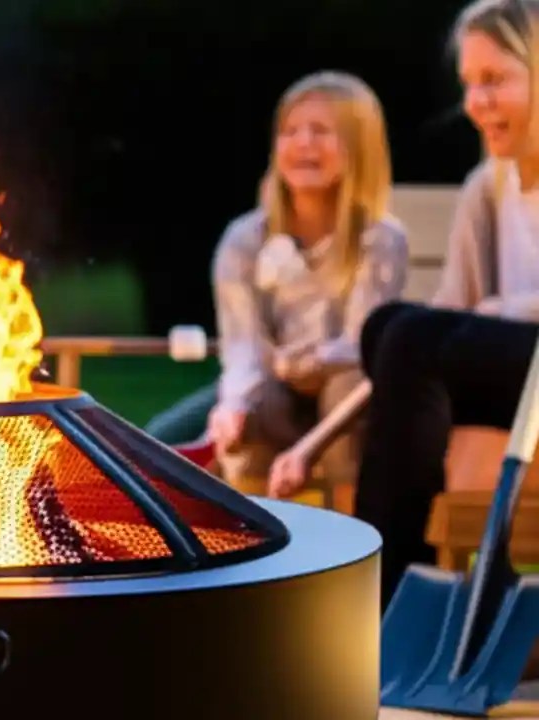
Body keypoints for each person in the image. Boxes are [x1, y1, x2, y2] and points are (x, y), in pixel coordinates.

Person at [330, 0, 539, 610]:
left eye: (494, 81)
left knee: (411, 337)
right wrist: (312, 443)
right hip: (520, 376)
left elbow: (473, 321)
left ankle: (381, 598)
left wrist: (505, 307)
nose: (475, 103)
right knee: (387, 328)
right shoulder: (490, 185)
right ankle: (403, 590)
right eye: (470, 84)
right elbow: (450, 311)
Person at [147, 72, 408, 490]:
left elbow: (365, 342)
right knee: (158, 443)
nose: (303, 143)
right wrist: (233, 405)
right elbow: (243, 345)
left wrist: (309, 362)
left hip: (347, 397)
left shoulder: (381, 240)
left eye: (321, 131)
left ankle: (350, 537)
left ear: (359, 148)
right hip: (269, 389)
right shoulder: (245, 240)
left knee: (346, 389)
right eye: (290, 131)